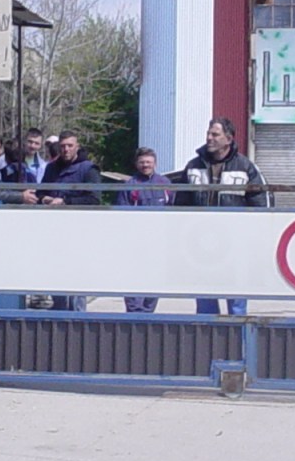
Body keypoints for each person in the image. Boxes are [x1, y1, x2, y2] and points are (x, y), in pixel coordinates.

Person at [175, 117, 270, 316]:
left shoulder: (246, 167)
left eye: (215, 134)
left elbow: (261, 203)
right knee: (204, 297)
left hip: (235, 243)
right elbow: (180, 204)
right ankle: (208, 338)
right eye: (208, 134)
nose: (209, 138)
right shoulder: (192, 166)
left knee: (236, 296)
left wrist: (255, 238)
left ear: (228, 138)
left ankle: (238, 339)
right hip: (200, 244)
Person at [38, 130, 101, 311]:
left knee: (75, 282)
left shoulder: (89, 169)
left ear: (77, 147)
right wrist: (45, 199)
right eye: (63, 146)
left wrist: (66, 201)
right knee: (55, 279)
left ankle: (77, 321)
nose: (66, 149)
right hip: (54, 232)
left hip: (79, 232)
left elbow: (94, 200)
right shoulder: (52, 168)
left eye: (70, 146)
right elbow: (41, 192)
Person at [115, 147, 171, 313]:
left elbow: (174, 212)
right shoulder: (130, 185)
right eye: (142, 162)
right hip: (135, 244)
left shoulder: (165, 184)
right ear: (136, 164)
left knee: (155, 282)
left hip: (159, 242)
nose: (145, 165)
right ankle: (134, 315)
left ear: (155, 163)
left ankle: (148, 314)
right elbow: (121, 215)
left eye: (149, 162)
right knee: (133, 280)